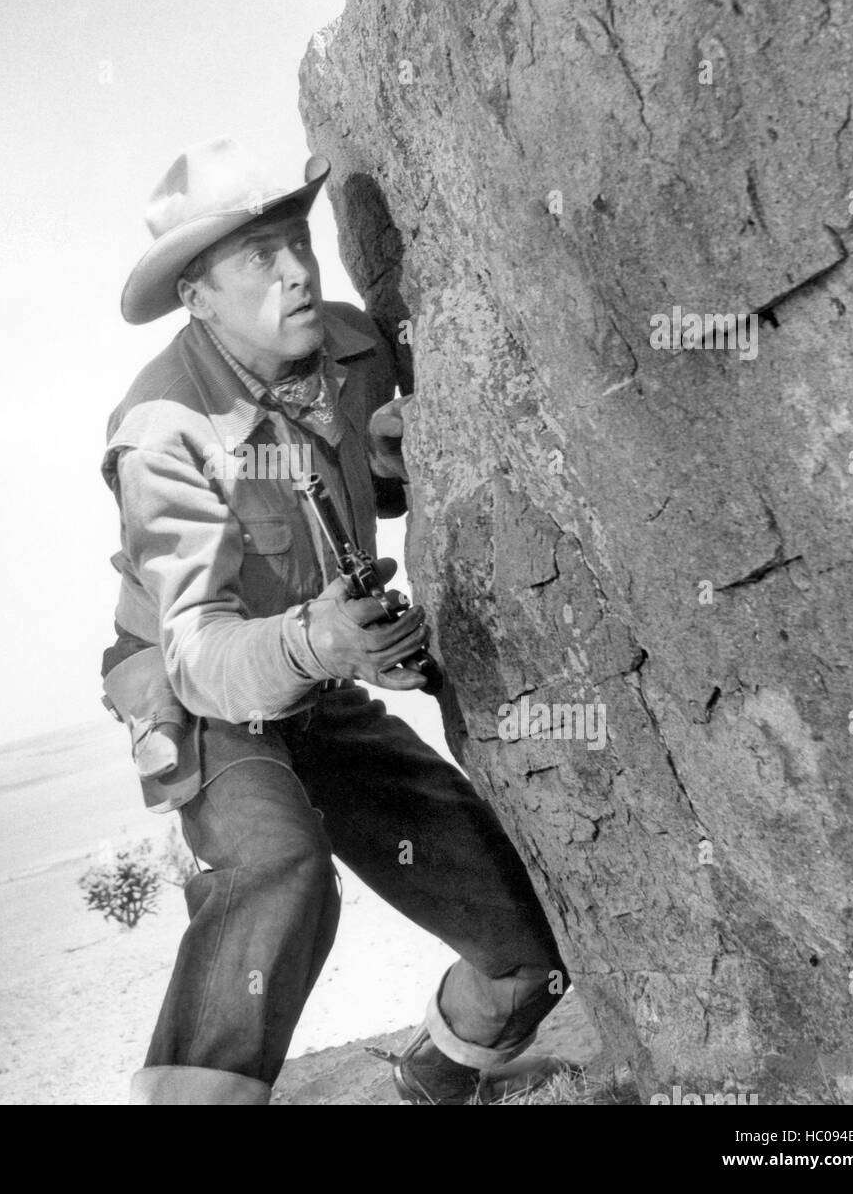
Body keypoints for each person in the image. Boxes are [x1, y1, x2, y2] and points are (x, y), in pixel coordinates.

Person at [100, 136, 569, 1104]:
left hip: (323, 692)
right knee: (281, 864)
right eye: (254, 259)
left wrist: (393, 459)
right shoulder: (162, 433)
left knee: (527, 960)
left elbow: (357, 500)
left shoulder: (352, 346)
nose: (292, 270)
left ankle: (431, 1081)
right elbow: (192, 649)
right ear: (197, 296)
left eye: (294, 242)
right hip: (210, 706)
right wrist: (318, 638)